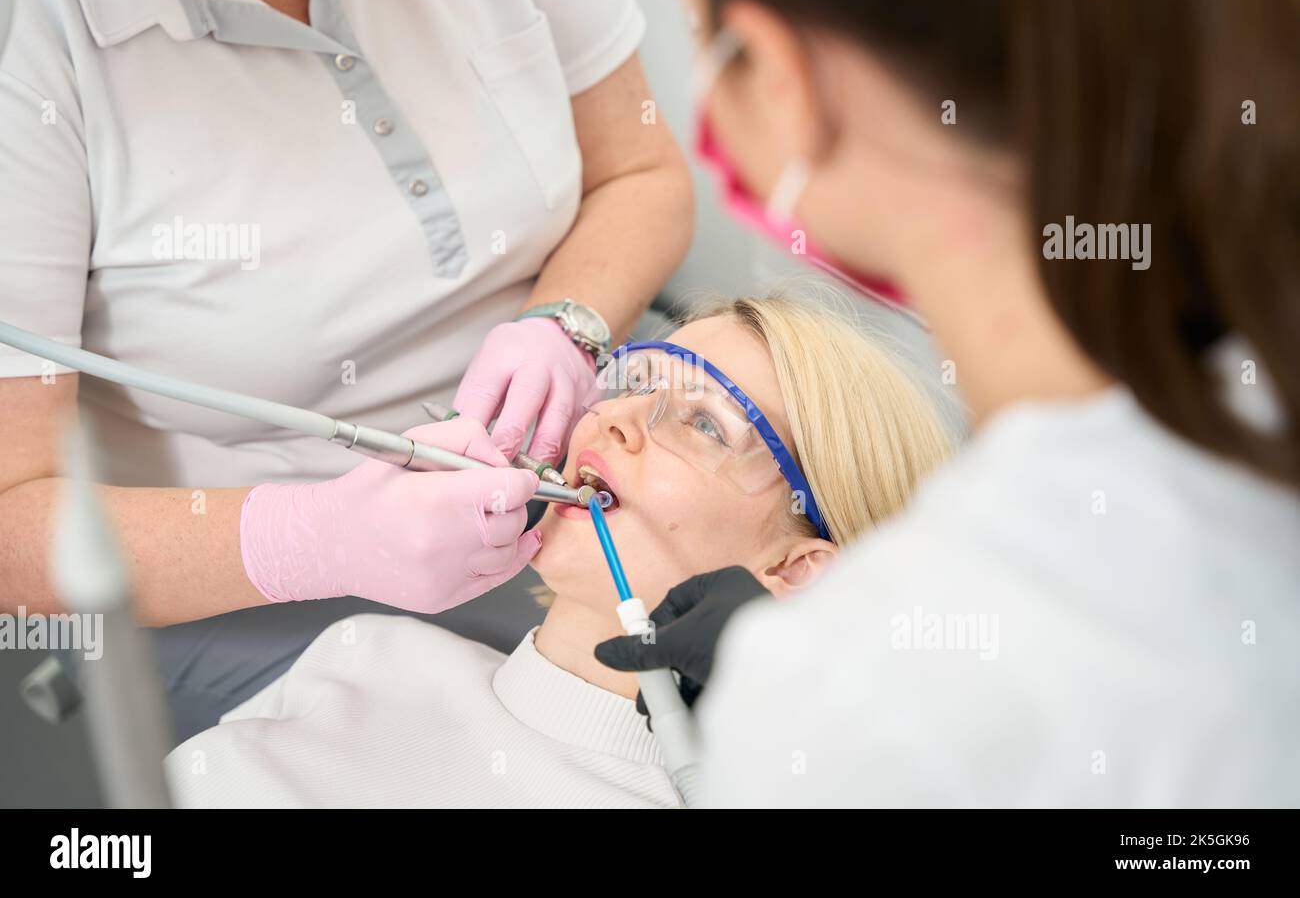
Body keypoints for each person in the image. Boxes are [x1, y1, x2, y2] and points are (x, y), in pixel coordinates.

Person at [595, 0, 1300, 806]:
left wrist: (815, 694)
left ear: (784, 76)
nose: (620, 422)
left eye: (706, 44)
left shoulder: (853, 699)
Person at [0, 0, 691, 721]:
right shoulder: (27, 28)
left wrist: (567, 323)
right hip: (241, 586)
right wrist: (311, 541)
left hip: (567, 462)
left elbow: (640, 173)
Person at [162, 293, 952, 806]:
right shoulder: (366, 649)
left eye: (707, 423)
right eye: (639, 380)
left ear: (796, 569)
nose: (614, 420)